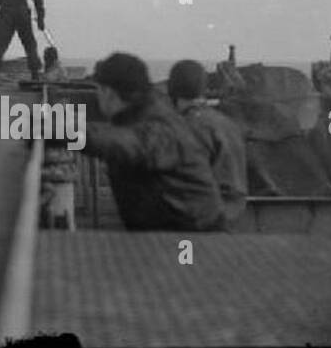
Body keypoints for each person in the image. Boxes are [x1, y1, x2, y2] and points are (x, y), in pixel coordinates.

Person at [81, 52, 225, 232]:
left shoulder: (159, 128)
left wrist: (57, 132)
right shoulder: (152, 114)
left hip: (191, 239)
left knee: (184, 261)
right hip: (177, 230)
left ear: (108, 93)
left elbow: (124, 144)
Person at [168, 59, 248, 228]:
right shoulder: (229, 124)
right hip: (233, 220)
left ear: (172, 91)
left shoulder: (185, 128)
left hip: (196, 226)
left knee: (184, 254)